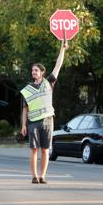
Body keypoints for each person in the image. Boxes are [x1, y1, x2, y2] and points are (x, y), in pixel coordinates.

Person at [20, 40, 67, 184]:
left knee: (46, 150)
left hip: (48, 120)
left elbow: (58, 65)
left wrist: (63, 49)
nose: (33, 72)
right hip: (33, 122)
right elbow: (24, 109)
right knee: (34, 149)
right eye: (32, 70)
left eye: (36, 70)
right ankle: (34, 176)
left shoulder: (49, 82)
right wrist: (23, 125)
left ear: (42, 72)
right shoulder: (27, 89)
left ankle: (43, 176)